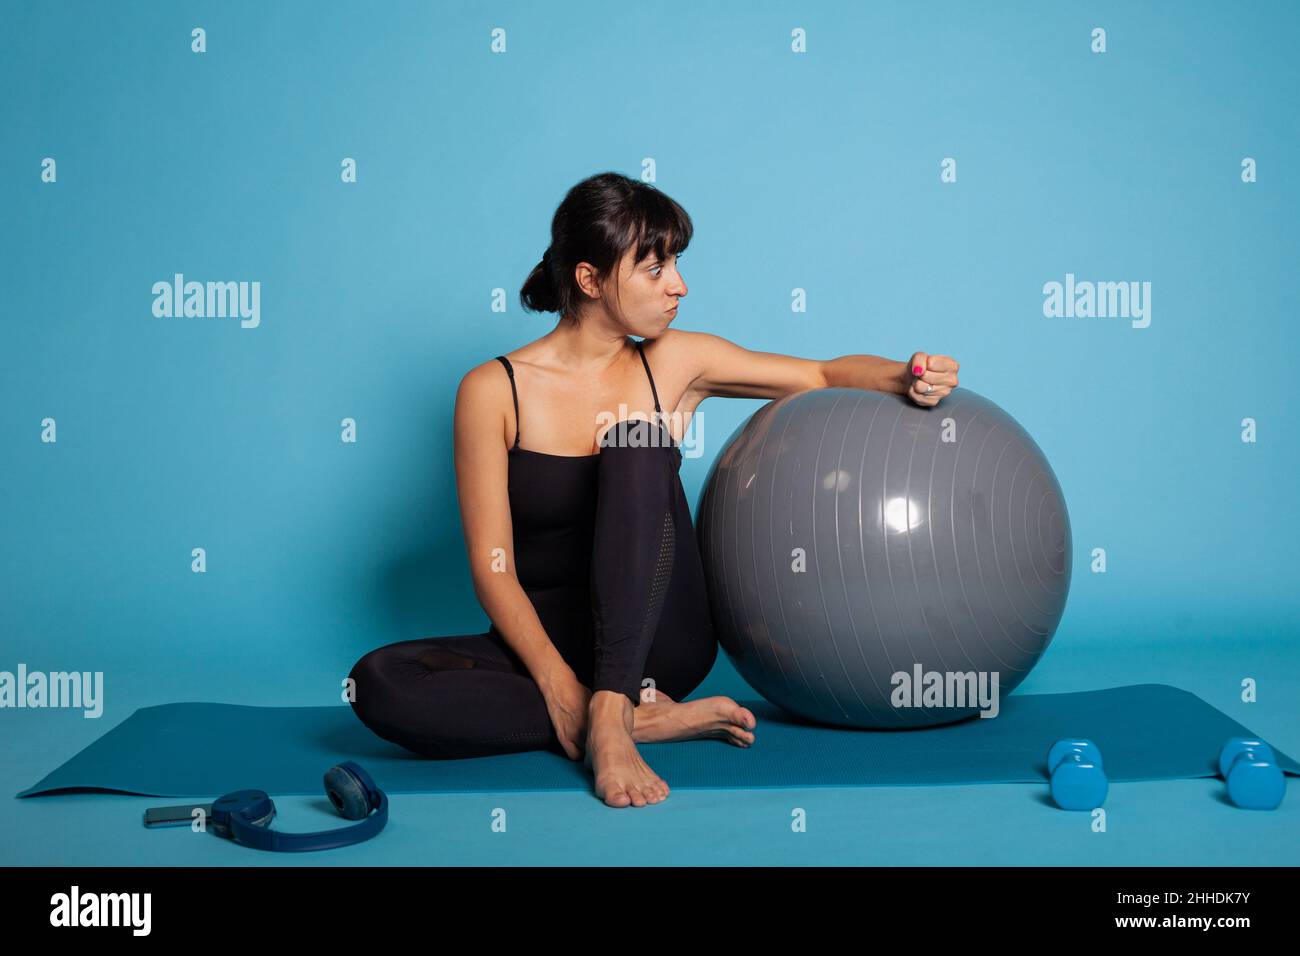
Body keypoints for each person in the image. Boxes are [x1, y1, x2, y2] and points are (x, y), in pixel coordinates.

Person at [347, 171, 960, 808]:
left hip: (660, 640)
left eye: (676, 263)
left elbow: (821, 373)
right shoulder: (491, 390)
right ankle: (640, 719)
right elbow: (491, 567)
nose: (679, 285)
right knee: (380, 682)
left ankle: (613, 713)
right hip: (552, 642)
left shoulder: (673, 361)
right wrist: (557, 684)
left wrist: (903, 375)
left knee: (635, 440)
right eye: (655, 268)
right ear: (589, 280)